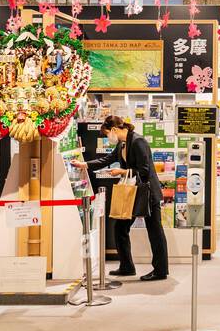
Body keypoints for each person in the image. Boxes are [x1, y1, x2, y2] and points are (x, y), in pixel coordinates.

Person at [72, 115, 169, 281]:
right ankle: (127, 266)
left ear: (115, 130)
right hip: (132, 191)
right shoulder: (122, 144)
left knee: (155, 231)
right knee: (120, 228)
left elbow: (144, 171)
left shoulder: (138, 142)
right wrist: (84, 165)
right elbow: (107, 159)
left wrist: (122, 171)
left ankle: (160, 270)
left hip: (147, 192)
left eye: (107, 133)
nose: (107, 137)